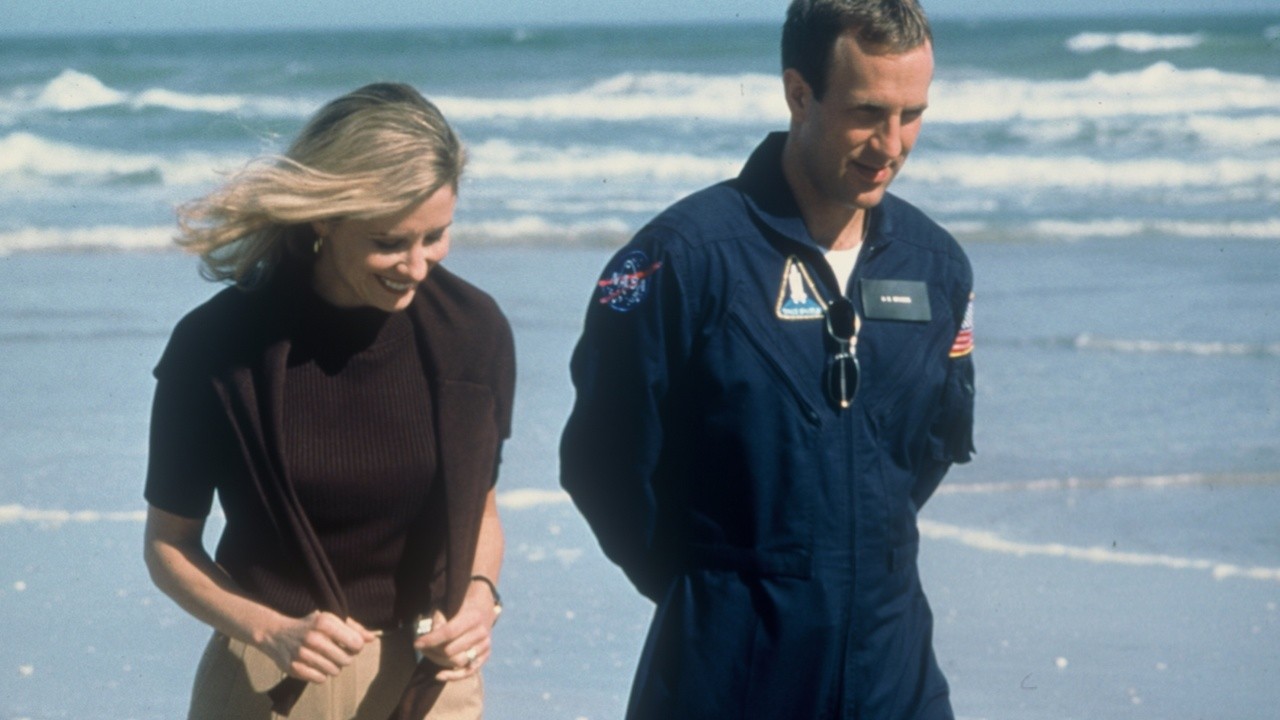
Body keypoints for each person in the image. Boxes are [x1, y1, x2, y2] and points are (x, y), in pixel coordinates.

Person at [559, 1, 975, 718]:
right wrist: (720, 593)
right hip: (727, 672)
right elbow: (602, 462)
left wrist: (845, 559)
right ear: (798, 93)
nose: (891, 144)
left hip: (893, 669)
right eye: (867, 112)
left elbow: (929, 453)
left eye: (912, 115)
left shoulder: (937, 267)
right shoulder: (681, 259)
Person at [143, 83, 514, 720]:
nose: (416, 266)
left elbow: (479, 511)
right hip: (271, 676)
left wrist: (481, 598)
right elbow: (168, 546)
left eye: (435, 236)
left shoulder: (473, 331)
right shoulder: (218, 344)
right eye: (389, 241)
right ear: (323, 216)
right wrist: (269, 630)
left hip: (434, 683)